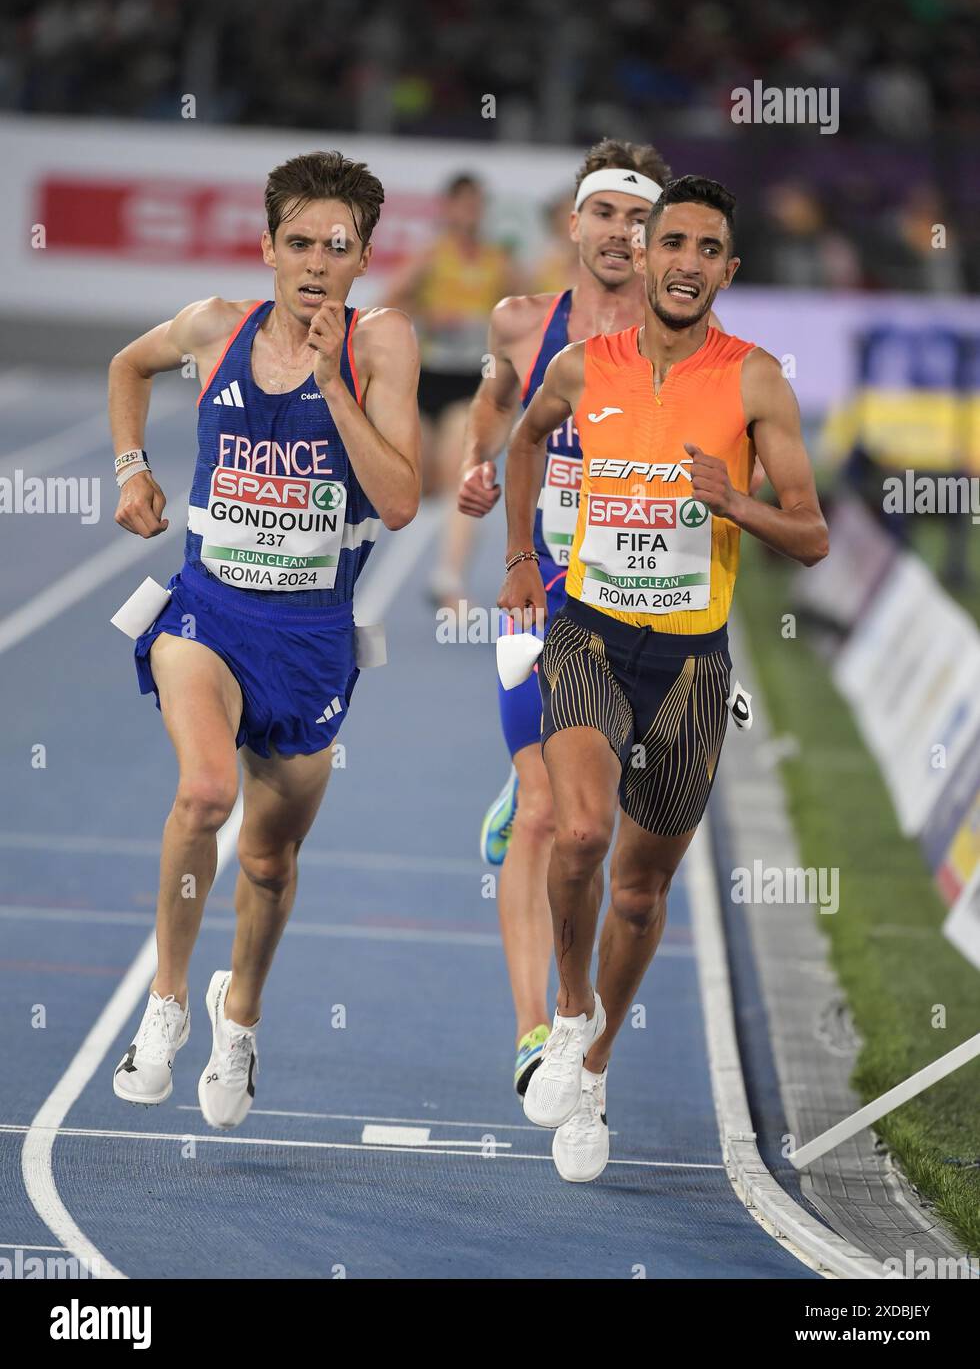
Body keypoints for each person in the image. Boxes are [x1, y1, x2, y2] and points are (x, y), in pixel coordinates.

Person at [497, 175, 828, 1182]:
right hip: (588, 637)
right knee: (578, 829)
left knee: (639, 890)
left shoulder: (756, 380)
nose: (683, 260)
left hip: (689, 665)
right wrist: (518, 554)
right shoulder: (576, 364)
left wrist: (735, 504)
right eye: (668, 241)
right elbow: (520, 443)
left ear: (728, 270)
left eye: (705, 248)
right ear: (641, 257)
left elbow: (809, 534)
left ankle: (593, 1068)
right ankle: (564, 1012)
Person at [108, 150, 421, 1129]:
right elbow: (127, 365)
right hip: (209, 614)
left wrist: (333, 386)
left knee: (269, 861)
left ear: (364, 258)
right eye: (299, 243)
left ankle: (235, 1016)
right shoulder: (215, 327)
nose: (316, 262)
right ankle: (163, 1003)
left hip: (314, 639)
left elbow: (403, 500)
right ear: (267, 247)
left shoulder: (382, 346)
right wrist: (132, 469)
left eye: (338, 246)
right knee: (203, 791)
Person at [459, 139, 674, 1098]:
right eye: (606, 216)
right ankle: (532, 1029)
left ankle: (530, 786)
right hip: (538, 586)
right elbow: (495, 404)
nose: (622, 234)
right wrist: (475, 461)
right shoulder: (521, 321)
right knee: (547, 814)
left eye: (642, 220)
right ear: (573, 225)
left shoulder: (686, 337)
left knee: (603, 824)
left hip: (635, 594)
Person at [386, 173, 522, 606]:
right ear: (447, 209)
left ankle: (448, 578)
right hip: (426, 379)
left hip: (471, 380)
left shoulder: (498, 262)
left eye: (476, 204)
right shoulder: (430, 256)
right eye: (462, 204)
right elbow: (390, 300)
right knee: (420, 482)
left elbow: (526, 313)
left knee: (463, 473)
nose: (470, 213)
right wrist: (428, 313)